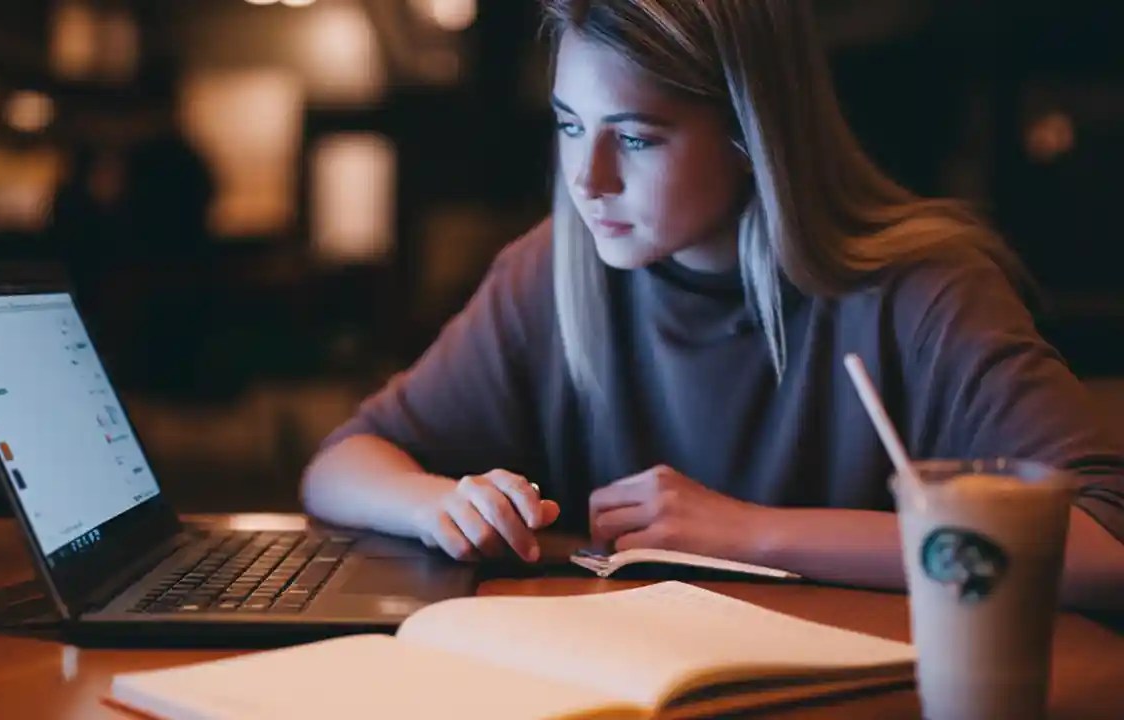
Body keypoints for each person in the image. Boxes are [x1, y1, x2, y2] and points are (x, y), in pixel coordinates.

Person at [300, 0, 1124, 612]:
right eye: (567, 125)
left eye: (632, 138)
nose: (586, 182)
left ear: (750, 132)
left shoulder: (924, 292)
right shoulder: (551, 272)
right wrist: (439, 504)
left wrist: (751, 533)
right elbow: (342, 464)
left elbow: (1106, 542)